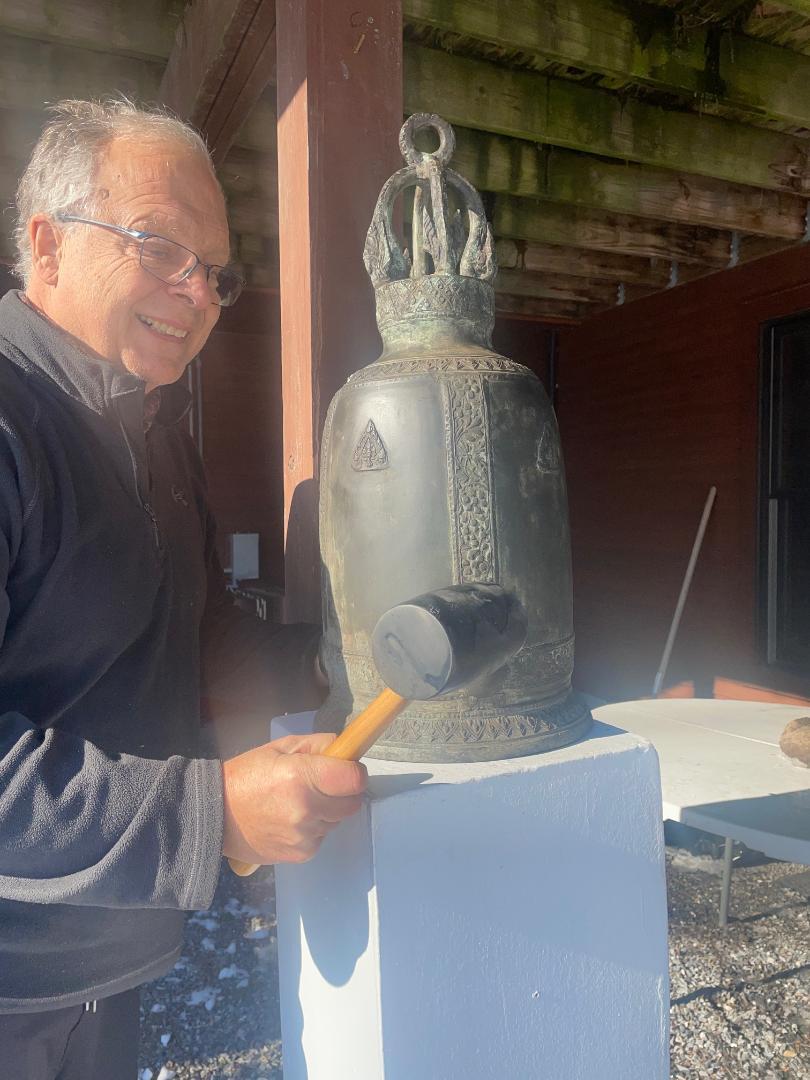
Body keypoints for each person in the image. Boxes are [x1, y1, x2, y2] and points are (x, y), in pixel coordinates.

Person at [0, 98, 367, 1078]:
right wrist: (211, 817)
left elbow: (197, 636)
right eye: (159, 246)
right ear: (46, 244)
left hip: (110, 970)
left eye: (216, 272)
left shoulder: (157, 435)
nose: (198, 291)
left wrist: (342, 664)